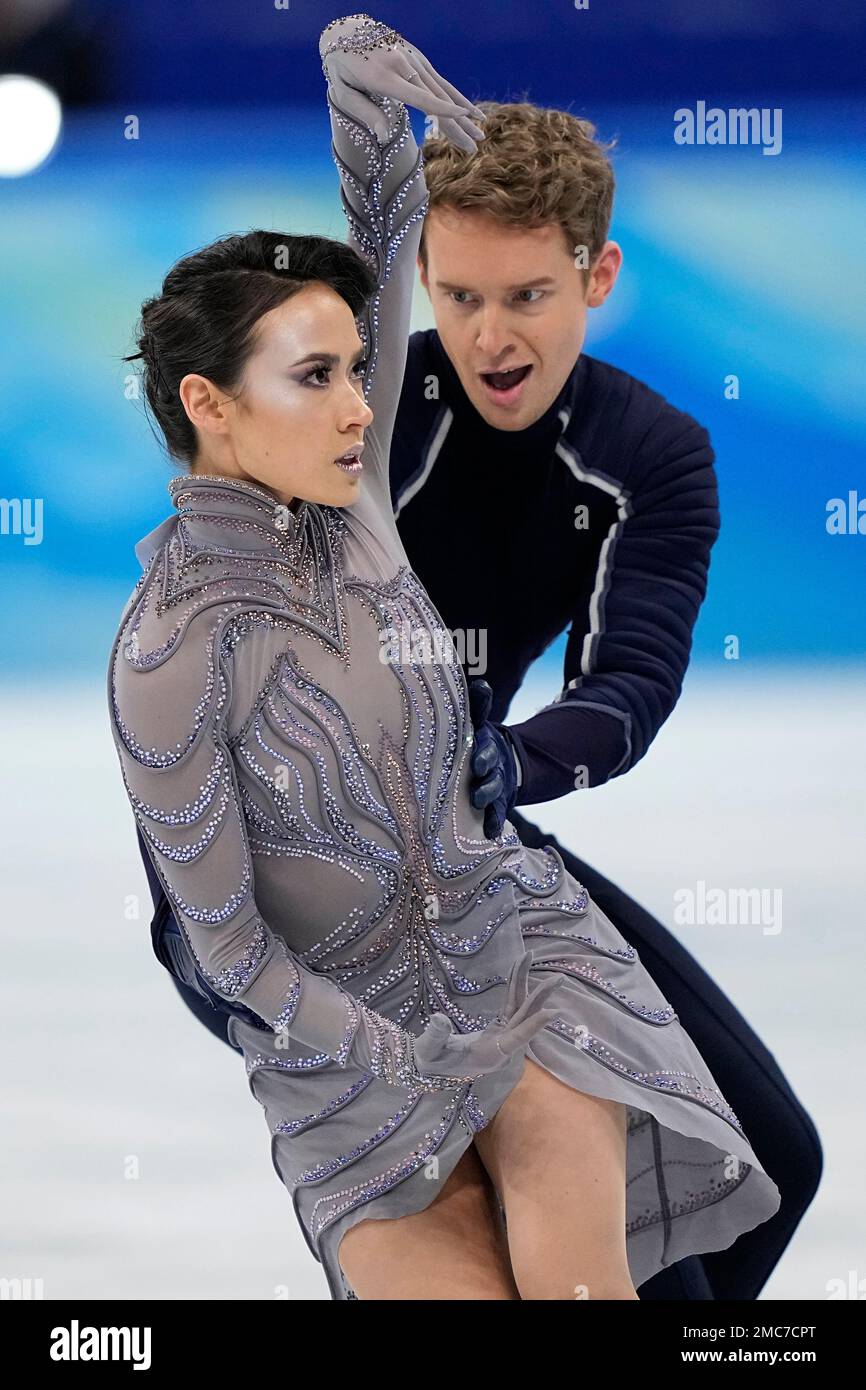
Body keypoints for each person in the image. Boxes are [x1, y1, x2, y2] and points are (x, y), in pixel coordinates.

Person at [110, 12, 781, 1302]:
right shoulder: (194, 622)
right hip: (313, 945)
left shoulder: (624, 457)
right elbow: (229, 935)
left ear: (596, 278)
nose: (471, 343)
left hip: (480, 869)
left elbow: (628, 683)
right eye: (453, 298)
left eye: (526, 295)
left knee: (740, 1195)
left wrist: (515, 760)